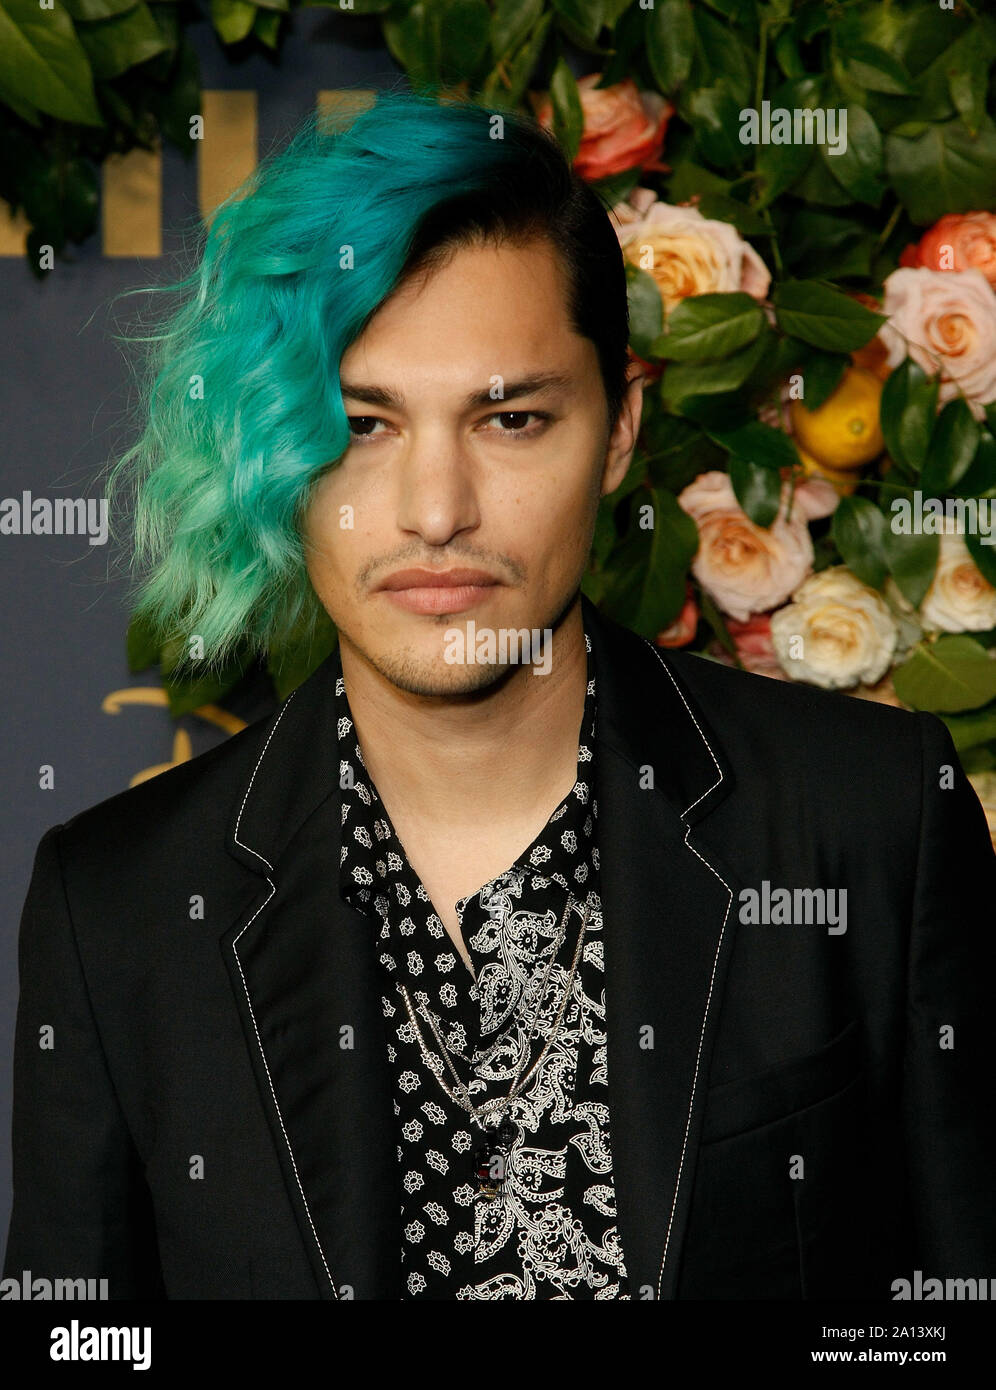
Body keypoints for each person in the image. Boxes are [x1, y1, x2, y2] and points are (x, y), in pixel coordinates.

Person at [3, 90, 994, 1302]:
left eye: (512, 417)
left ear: (621, 431)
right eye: (361, 425)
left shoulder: (870, 818)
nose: (435, 510)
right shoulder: (119, 911)